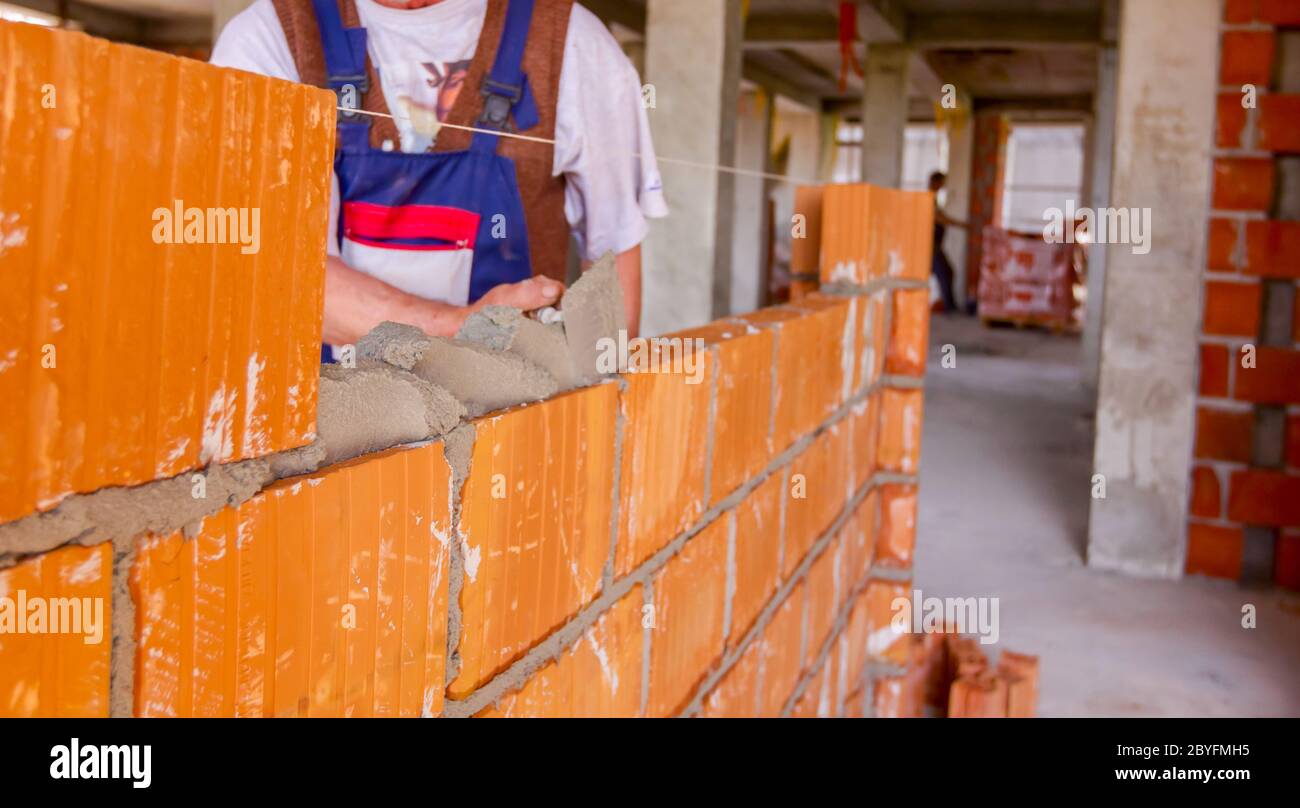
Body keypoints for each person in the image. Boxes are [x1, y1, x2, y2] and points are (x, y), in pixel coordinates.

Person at [211, 0, 666, 354]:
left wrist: (599, 418)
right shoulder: (271, 38)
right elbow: (280, 275)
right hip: (323, 445)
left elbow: (612, 268)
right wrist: (461, 327)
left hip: (509, 437)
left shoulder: (571, 42)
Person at [927, 171, 971, 314]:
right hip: (931, 247)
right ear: (936, 182)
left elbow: (941, 216)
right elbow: (939, 218)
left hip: (935, 246)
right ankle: (948, 306)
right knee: (945, 273)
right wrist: (961, 225)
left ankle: (948, 305)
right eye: (942, 182)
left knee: (947, 273)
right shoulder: (928, 199)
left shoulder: (933, 199)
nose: (943, 185)